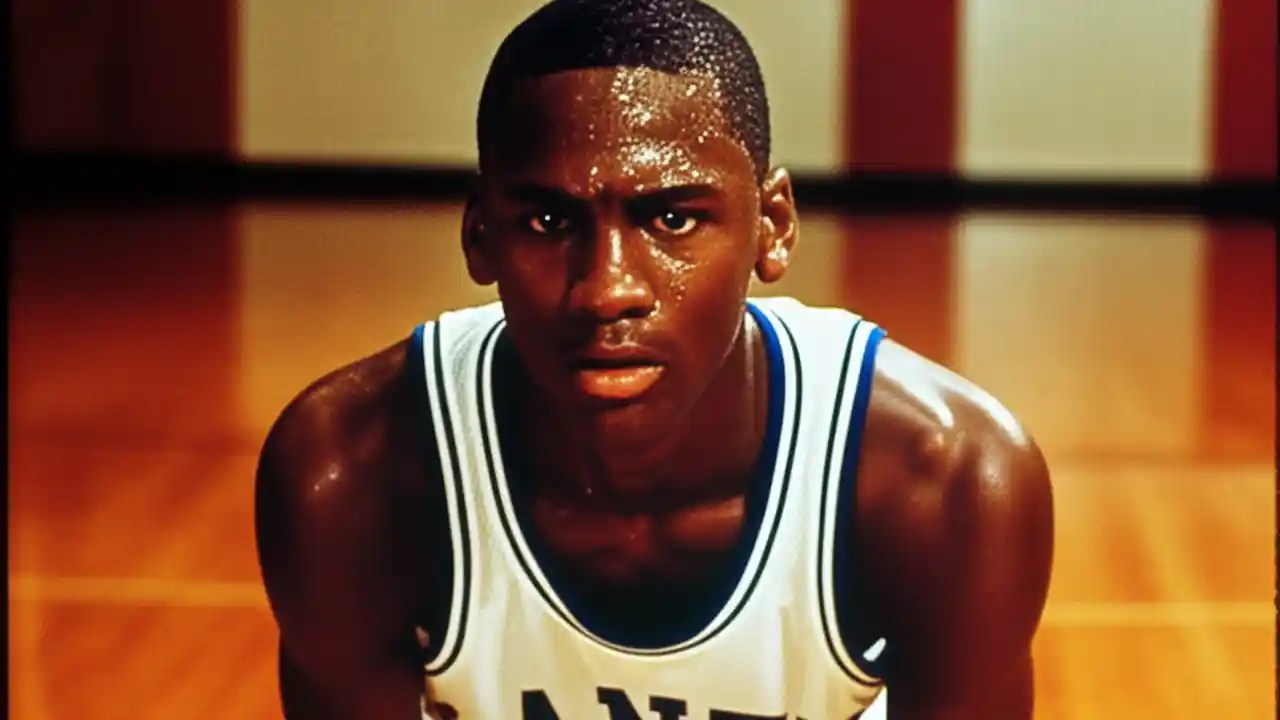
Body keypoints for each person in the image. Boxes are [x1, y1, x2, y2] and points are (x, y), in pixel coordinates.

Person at [254, 1, 1054, 718]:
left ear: (772, 225)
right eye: (546, 221)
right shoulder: (348, 474)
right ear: (478, 234)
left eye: (671, 218)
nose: (606, 291)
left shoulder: (940, 479)